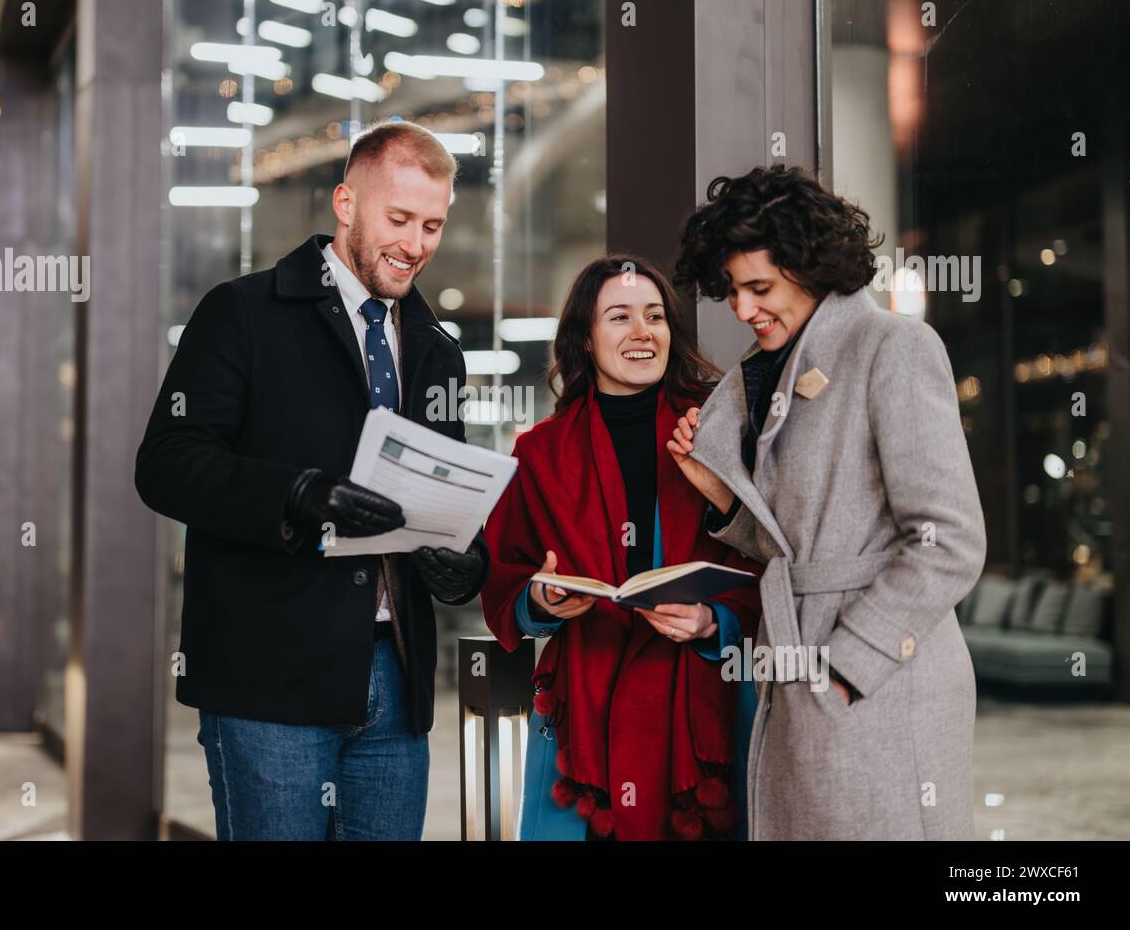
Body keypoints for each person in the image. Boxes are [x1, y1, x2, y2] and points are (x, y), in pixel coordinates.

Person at [134, 121, 489, 840]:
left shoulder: (434, 350)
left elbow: (443, 498)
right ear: (346, 203)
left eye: (432, 225)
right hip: (269, 674)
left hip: (397, 677)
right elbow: (166, 464)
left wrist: (461, 564)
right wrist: (296, 494)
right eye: (399, 219)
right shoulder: (242, 313)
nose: (416, 245)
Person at [666, 164, 987, 839]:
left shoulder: (892, 347)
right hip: (799, 668)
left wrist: (848, 666)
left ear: (813, 269)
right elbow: (804, 540)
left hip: (882, 680)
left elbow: (949, 539)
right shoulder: (773, 373)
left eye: (760, 287)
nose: (744, 310)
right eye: (733, 291)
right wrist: (724, 498)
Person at [481, 255, 761, 841]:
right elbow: (504, 576)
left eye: (655, 316)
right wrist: (542, 598)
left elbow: (766, 559)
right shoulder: (540, 453)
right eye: (620, 317)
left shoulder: (715, 430)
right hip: (584, 711)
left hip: (697, 703)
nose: (642, 332)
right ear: (586, 338)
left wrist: (714, 623)